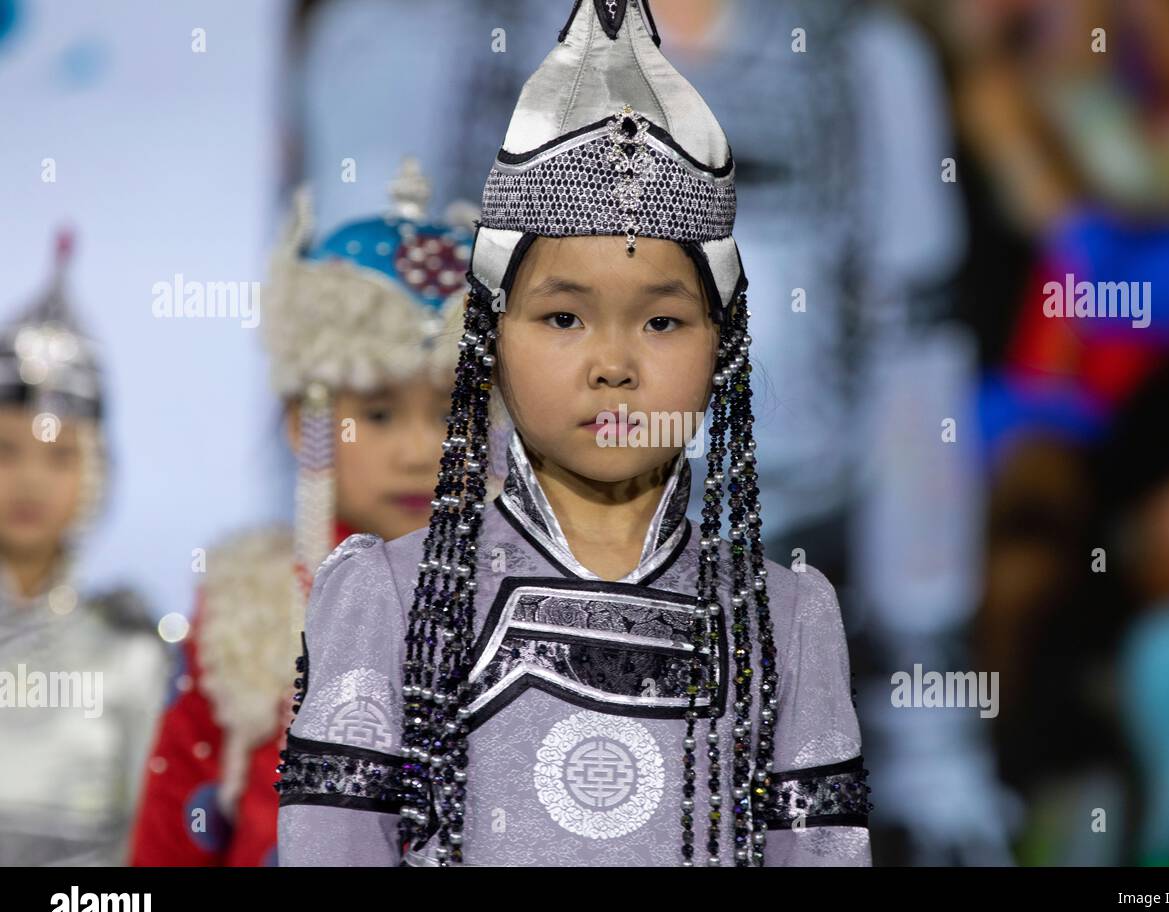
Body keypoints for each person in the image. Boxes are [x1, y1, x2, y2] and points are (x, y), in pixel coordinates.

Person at [277, 0, 872, 866]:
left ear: (724, 346)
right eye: (562, 318)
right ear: (492, 339)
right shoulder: (383, 597)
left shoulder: (790, 619)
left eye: (663, 323)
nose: (613, 364)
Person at [129, 159, 499, 865]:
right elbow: (175, 823)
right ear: (308, 425)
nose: (421, 450)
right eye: (381, 414)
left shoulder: (529, 599)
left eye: (451, 414)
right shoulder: (249, 607)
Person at [0, 231, 171, 865]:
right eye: (6, 450)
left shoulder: (135, 652)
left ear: (95, 474)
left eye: (59, 455)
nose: (30, 480)